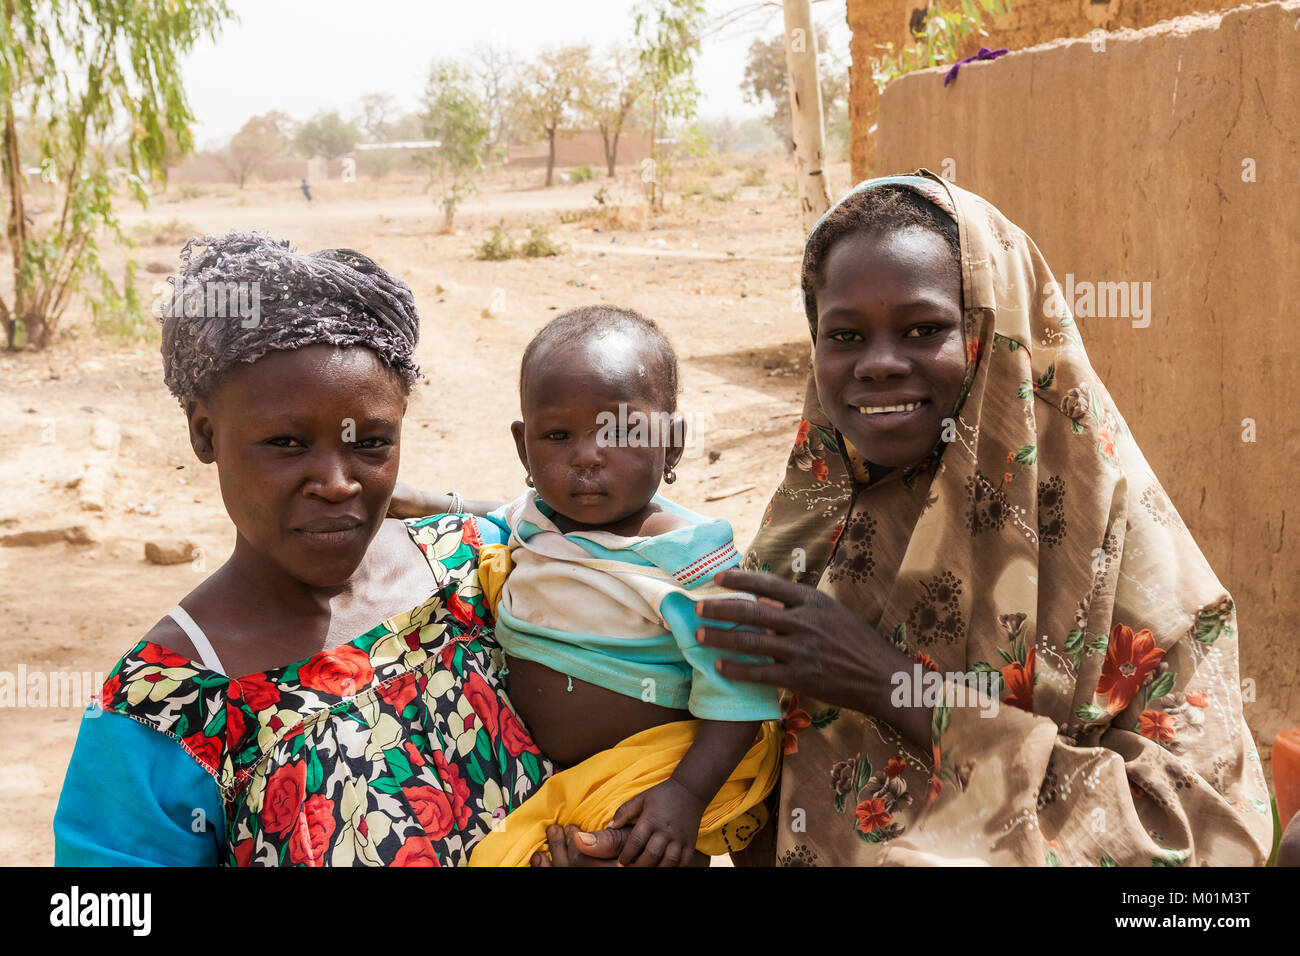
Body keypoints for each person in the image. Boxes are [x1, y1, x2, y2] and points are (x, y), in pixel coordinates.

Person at [684, 172, 1274, 865]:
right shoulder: (809, 535)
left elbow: (1209, 853)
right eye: (843, 334)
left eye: (923, 329)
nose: (876, 364)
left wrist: (891, 684)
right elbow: (736, 793)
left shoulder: (1131, 574)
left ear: (998, 339)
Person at [54, 231, 551, 866]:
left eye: (371, 443)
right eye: (287, 444)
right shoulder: (164, 708)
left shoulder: (475, 570)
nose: (338, 482)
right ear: (205, 432)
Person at [397, 307, 781, 867]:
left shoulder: (690, 558)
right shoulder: (541, 515)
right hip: (574, 776)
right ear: (524, 448)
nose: (585, 455)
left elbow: (743, 691)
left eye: (620, 431)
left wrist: (685, 796)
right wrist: (428, 504)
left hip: (661, 770)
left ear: (672, 444)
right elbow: (501, 513)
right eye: (557, 435)